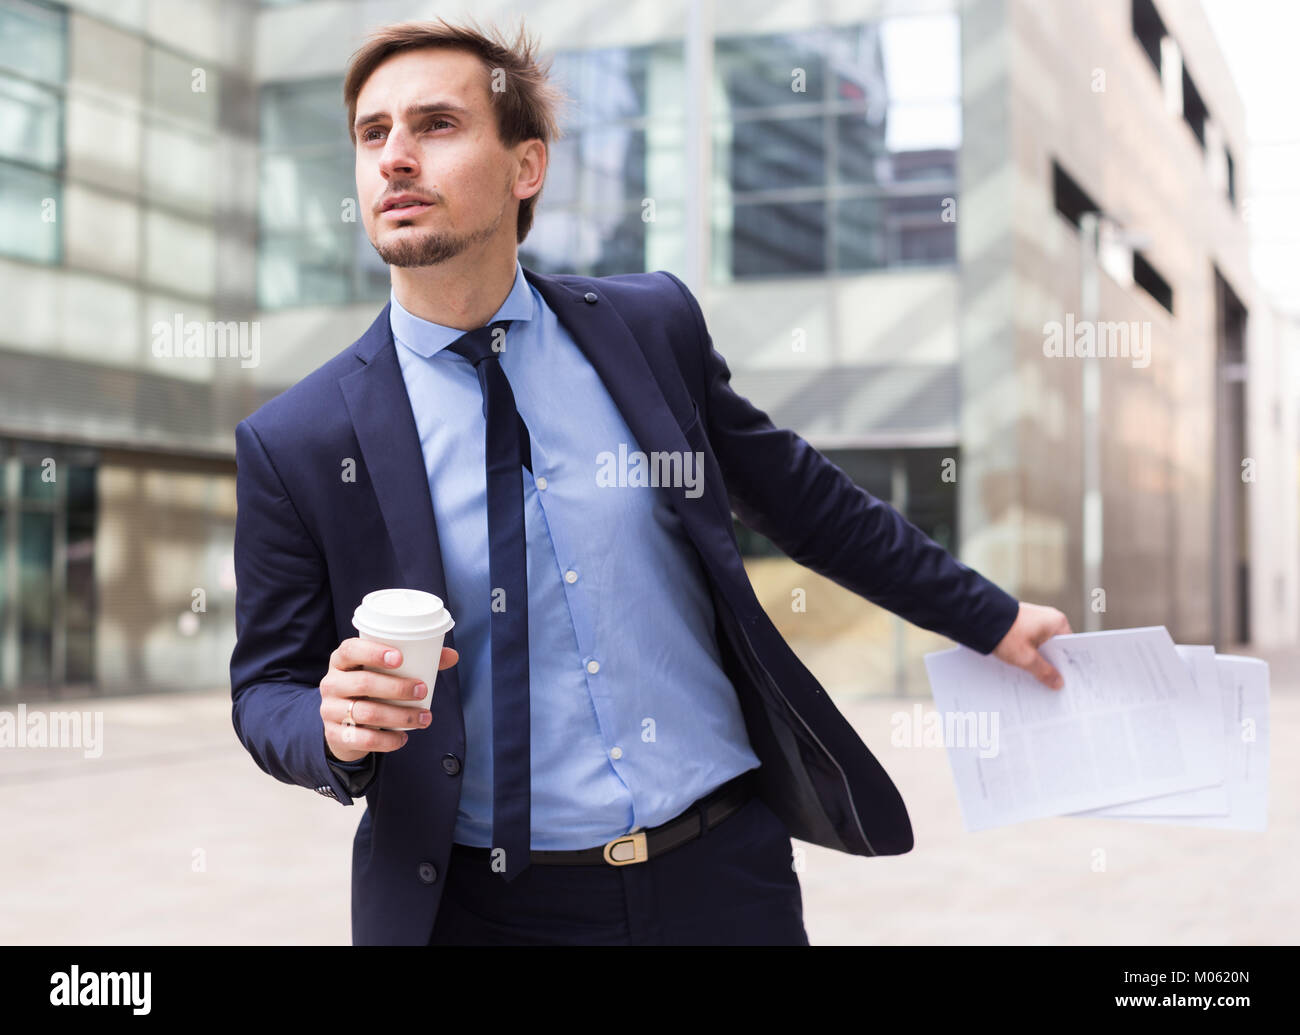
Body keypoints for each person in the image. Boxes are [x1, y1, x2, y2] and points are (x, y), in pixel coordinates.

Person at [229, 15, 1071, 946]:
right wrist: (330, 724)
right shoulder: (299, 439)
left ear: (526, 167)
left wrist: (988, 617)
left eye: (435, 124)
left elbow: (805, 500)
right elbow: (267, 686)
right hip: (483, 909)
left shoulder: (648, 331)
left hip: (719, 880)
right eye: (372, 133)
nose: (394, 157)